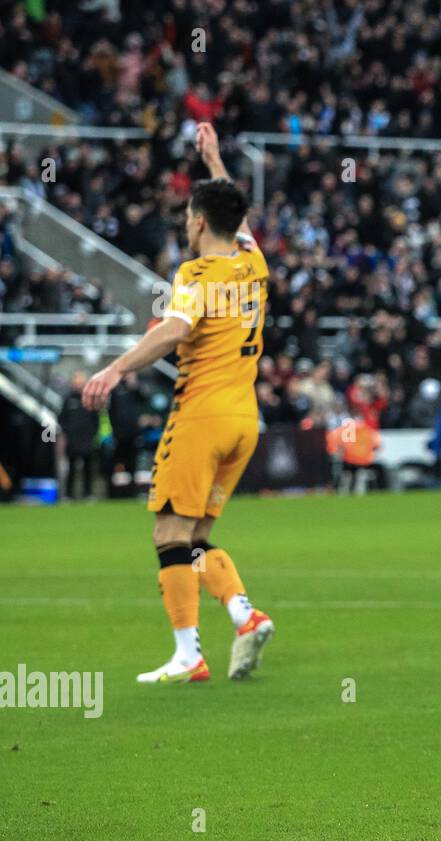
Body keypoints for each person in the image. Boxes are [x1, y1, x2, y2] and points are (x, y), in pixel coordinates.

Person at [82, 122, 275, 685]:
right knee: (191, 536)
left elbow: (174, 329)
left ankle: (189, 655)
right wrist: (215, 161)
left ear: (195, 222)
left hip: (200, 416)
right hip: (245, 419)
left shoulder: (195, 273)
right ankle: (244, 615)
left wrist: (116, 367)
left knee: (168, 534)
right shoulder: (251, 264)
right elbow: (235, 217)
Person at [59, 371, 101, 500]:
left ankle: (88, 494)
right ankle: (69, 495)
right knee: (71, 468)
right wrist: (69, 432)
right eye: (77, 382)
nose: (79, 385)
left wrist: (92, 435)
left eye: (81, 382)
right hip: (72, 441)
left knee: (88, 468)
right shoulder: (68, 399)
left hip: (87, 440)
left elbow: (96, 419)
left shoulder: (90, 399)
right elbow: (62, 419)